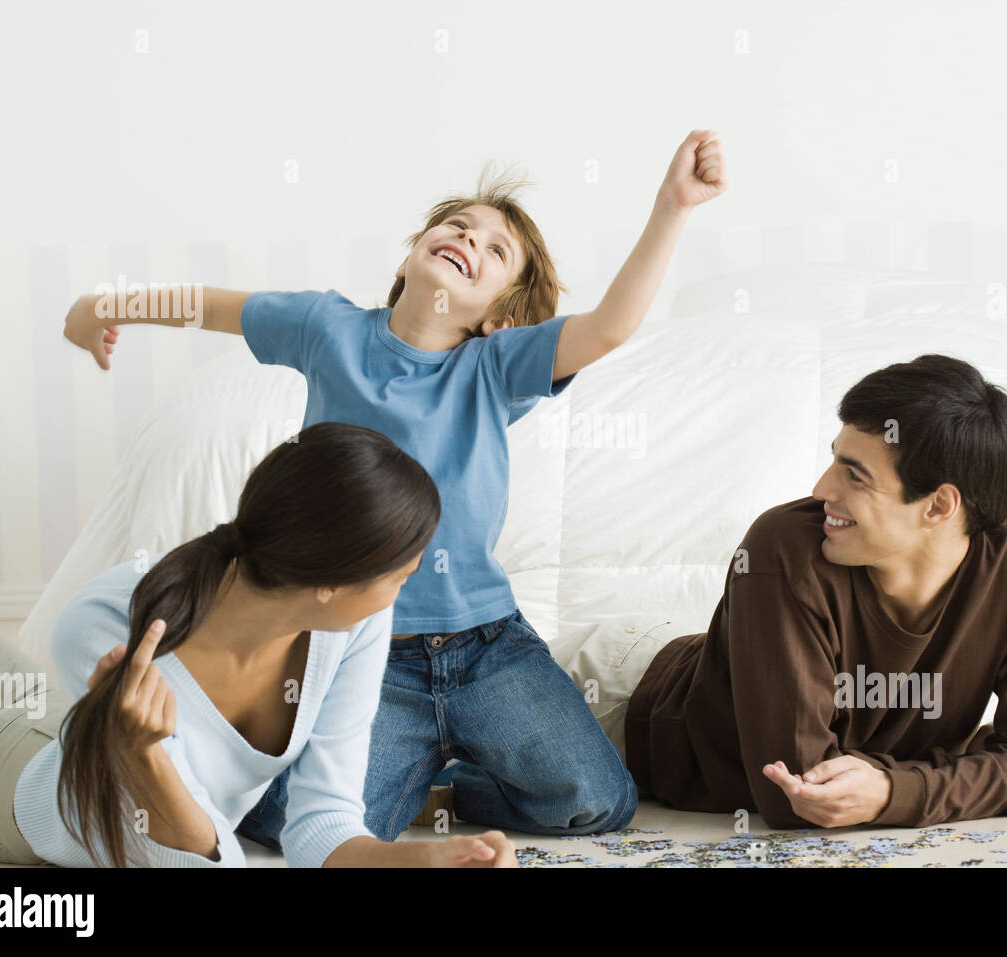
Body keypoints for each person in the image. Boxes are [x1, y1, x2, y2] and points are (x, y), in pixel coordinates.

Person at [61, 130, 729, 841]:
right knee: (287, 822)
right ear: (412, 253)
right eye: (459, 225)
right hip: (366, 656)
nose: (469, 240)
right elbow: (209, 305)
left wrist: (673, 206)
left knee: (598, 802)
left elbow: (610, 326)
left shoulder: (495, 366)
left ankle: (458, 783)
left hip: (486, 646)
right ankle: (414, 772)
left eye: (495, 250)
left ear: (499, 317)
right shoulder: (327, 327)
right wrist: (104, 306)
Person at [0, 422, 516, 866]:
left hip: (63, 719)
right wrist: (145, 753)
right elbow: (207, 857)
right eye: (401, 576)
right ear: (329, 584)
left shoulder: (356, 624)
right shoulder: (105, 621)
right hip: (1, 784)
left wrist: (428, 859)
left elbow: (323, 825)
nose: (406, 590)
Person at [568, 354, 1007, 829]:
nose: (821, 490)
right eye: (835, 460)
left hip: (735, 661)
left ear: (939, 507)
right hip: (616, 696)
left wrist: (891, 791)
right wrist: (913, 786)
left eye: (855, 477)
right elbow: (795, 793)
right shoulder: (782, 549)